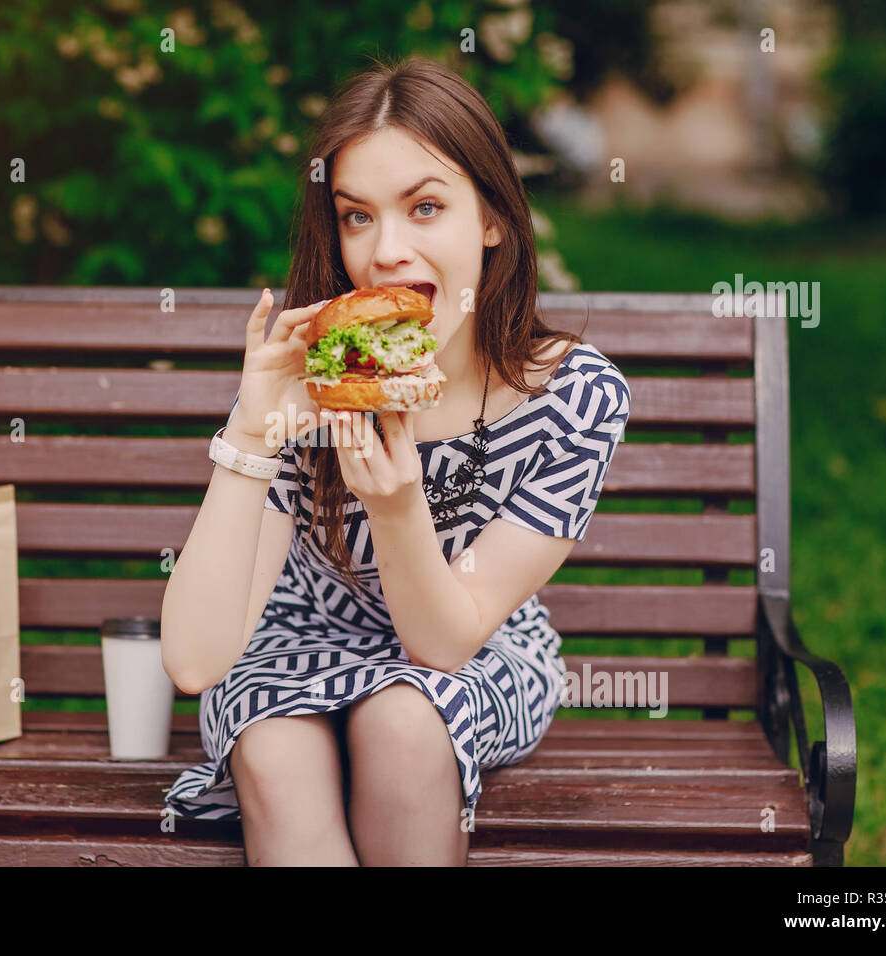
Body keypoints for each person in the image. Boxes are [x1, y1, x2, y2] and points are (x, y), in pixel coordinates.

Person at [160, 56, 631, 866]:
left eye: (425, 207)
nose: (386, 252)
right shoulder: (315, 383)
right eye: (356, 217)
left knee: (403, 717)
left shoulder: (576, 398)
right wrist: (251, 432)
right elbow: (197, 661)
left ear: (492, 218)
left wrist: (399, 506)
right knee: (272, 744)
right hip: (296, 644)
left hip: (475, 650)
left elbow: (444, 646)